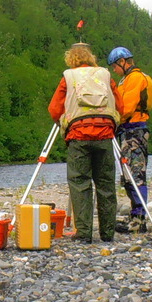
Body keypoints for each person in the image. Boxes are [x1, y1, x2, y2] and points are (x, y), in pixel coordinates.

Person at [47, 43, 121, 243]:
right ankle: (107, 233)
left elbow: (54, 108)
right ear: (91, 57)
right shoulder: (105, 75)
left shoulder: (69, 77)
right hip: (105, 135)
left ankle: (84, 233)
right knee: (105, 184)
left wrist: (64, 120)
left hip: (78, 136)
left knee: (80, 183)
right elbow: (119, 104)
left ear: (71, 59)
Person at [107, 46, 152, 231]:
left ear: (122, 61)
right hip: (129, 131)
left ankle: (139, 219)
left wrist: (112, 120)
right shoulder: (130, 78)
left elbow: (126, 108)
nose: (114, 70)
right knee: (130, 175)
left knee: (135, 175)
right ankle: (136, 216)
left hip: (134, 131)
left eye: (114, 66)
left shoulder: (135, 78)